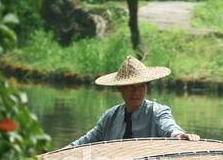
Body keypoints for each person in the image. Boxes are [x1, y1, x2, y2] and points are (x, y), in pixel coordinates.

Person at [71, 56, 200, 146]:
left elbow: (168, 126)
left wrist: (179, 135)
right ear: (120, 88)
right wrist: (65, 151)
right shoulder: (110, 116)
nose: (136, 92)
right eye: (131, 87)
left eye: (141, 86)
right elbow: (88, 139)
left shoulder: (157, 112)